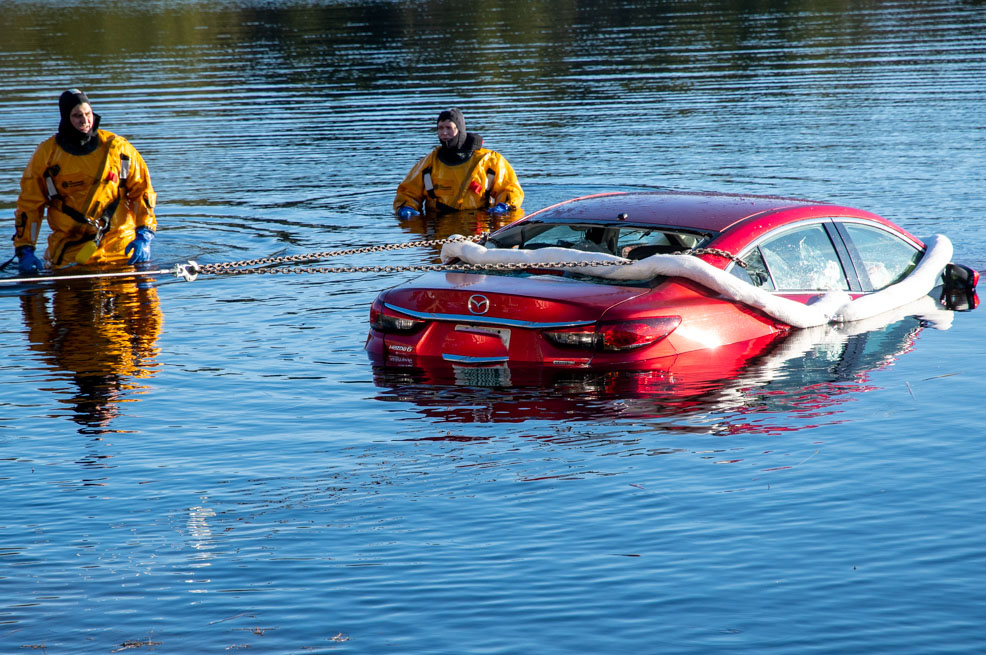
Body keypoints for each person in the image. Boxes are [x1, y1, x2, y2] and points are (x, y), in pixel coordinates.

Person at [11, 89, 157, 274]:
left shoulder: (118, 149)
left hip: (121, 250)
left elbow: (142, 191)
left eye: (88, 114)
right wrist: (25, 249)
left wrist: (144, 234)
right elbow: (30, 205)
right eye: (77, 115)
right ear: (66, 118)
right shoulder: (46, 156)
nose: (85, 120)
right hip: (69, 253)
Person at [394, 108, 523, 218]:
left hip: (478, 225)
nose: (444, 133)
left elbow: (510, 188)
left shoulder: (488, 160)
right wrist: (406, 208)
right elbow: (408, 192)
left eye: (449, 128)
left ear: (460, 130)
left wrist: (504, 206)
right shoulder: (428, 163)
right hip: (439, 224)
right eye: (440, 128)